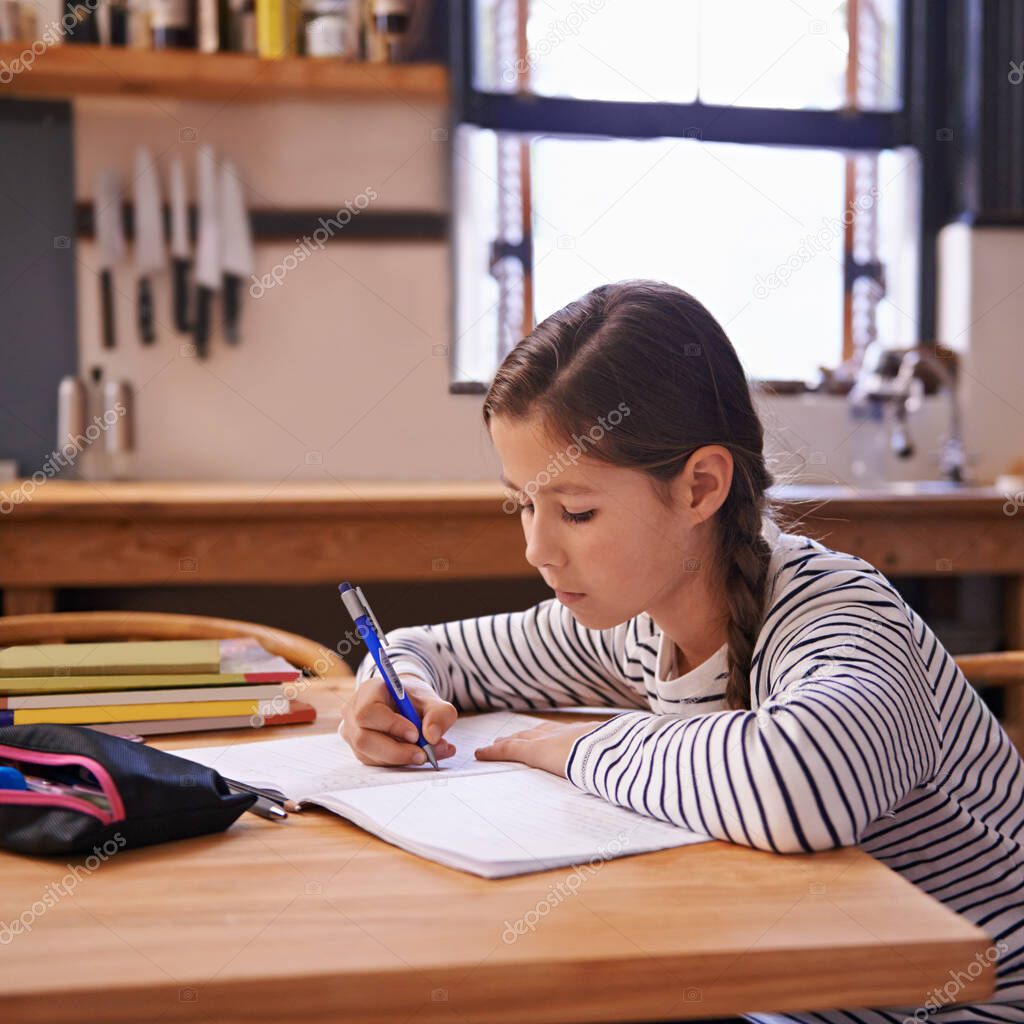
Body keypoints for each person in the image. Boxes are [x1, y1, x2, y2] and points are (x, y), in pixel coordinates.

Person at [342, 279, 1024, 1024]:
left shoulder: (837, 612)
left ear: (700, 487)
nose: (538, 548)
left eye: (575, 510)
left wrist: (580, 748)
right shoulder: (635, 620)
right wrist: (393, 682)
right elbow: (432, 649)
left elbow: (800, 786)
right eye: (523, 504)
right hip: (788, 1000)